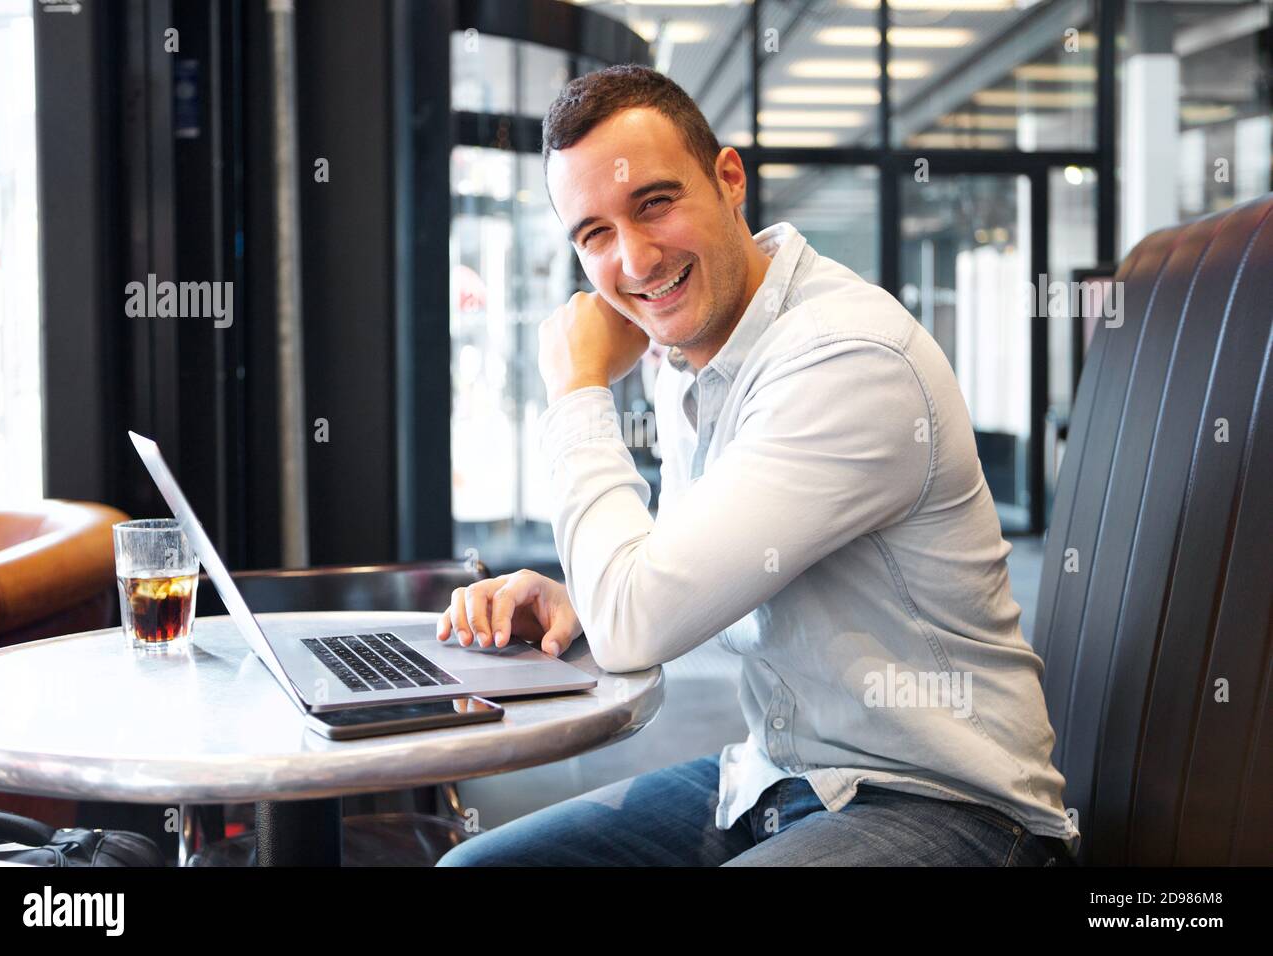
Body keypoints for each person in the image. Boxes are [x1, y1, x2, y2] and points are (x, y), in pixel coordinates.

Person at [434, 64, 1079, 867]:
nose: (633, 260)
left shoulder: (846, 357)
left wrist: (577, 389)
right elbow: (670, 583)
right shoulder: (691, 363)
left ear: (729, 180)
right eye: (595, 234)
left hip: (952, 807)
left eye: (654, 203)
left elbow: (640, 621)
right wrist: (581, 600)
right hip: (778, 781)